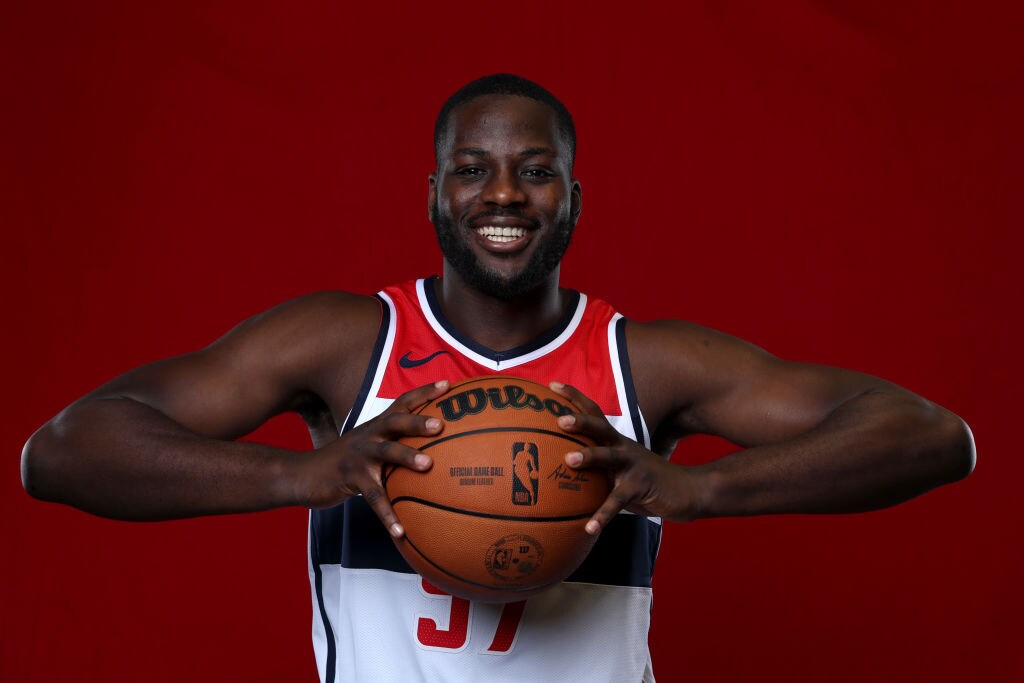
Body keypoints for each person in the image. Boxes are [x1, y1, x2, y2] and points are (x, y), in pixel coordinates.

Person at [20, 74, 975, 682]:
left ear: (573, 197)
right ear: (436, 194)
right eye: (473, 169)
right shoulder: (349, 344)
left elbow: (934, 436)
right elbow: (61, 452)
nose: (505, 194)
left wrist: (703, 487)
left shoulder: (647, 361)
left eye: (536, 171)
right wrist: (295, 475)